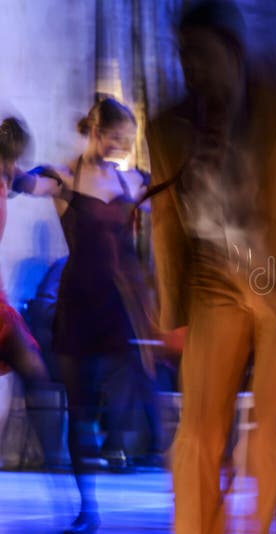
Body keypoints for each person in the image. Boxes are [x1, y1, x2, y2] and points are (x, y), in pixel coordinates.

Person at [146, 2, 276, 532]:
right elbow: (165, 224)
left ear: (232, 51)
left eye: (202, 55)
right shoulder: (168, 127)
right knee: (197, 435)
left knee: (272, 435)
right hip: (215, 279)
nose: (191, 68)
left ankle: (260, 526)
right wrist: (171, 317)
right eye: (183, 55)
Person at [12, 99, 155, 533]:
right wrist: (14, 165)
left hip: (118, 308)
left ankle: (156, 470)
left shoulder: (132, 180)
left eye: (128, 141)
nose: (121, 146)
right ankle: (87, 506)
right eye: (116, 137)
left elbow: (173, 202)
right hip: (79, 305)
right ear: (95, 130)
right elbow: (27, 183)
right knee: (80, 408)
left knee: (141, 384)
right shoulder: (68, 176)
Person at [0, 117, 49, 390]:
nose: (14, 164)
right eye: (13, 158)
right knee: (33, 369)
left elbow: (40, 184)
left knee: (34, 370)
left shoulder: (9, 177)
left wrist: (59, 177)